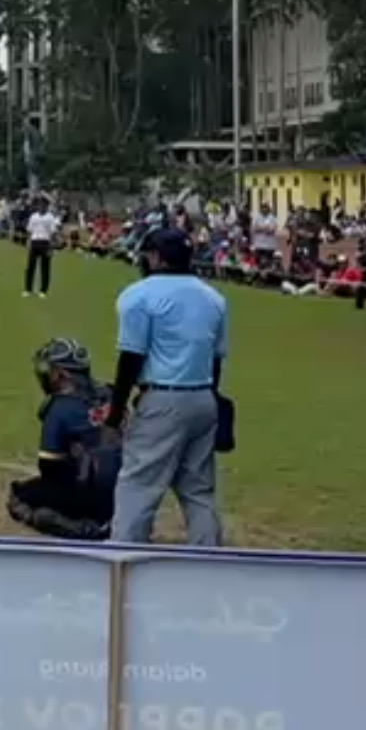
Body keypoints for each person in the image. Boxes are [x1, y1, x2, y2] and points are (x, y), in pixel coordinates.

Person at [104, 227, 228, 547]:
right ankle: (209, 558)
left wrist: (115, 413)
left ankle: (124, 557)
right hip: (203, 397)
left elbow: (130, 358)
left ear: (156, 257)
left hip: (162, 399)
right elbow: (215, 360)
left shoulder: (139, 295)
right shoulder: (213, 298)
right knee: (198, 489)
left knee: (139, 484)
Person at [7, 338, 121, 541]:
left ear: (62, 374)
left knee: (19, 498)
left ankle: (88, 531)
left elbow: (49, 469)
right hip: (128, 490)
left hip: (93, 497)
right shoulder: (111, 393)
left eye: (50, 370)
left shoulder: (59, 409)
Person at [23, 197, 59, 297]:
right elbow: (30, 230)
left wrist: (51, 247)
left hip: (45, 242)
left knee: (45, 268)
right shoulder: (33, 216)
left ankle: (43, 290)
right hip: (35, 241)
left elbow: (53, 233)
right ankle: (27, 289)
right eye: (39, 205)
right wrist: (28, 242)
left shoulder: (50, 217)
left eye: (43, 205)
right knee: (30, 267)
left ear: (46, 206)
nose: (41, 207)